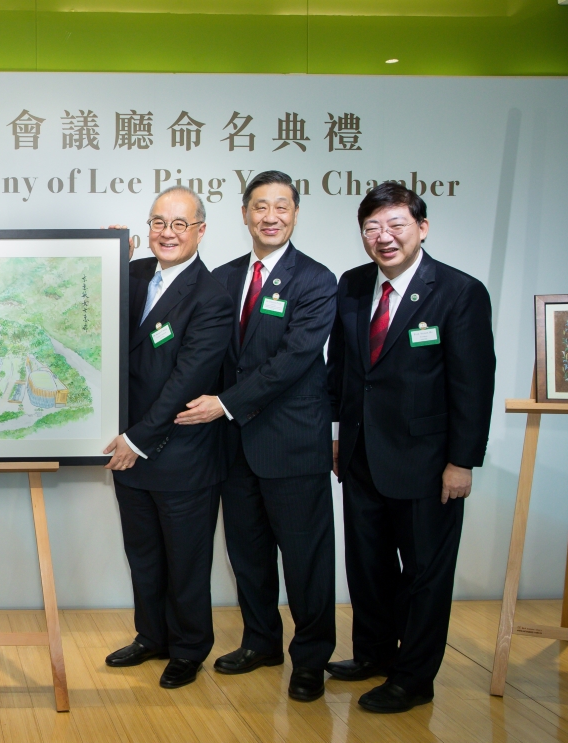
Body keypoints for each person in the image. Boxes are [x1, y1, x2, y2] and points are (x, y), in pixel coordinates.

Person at [326, 182, 495, 713]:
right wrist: (336, 435)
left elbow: (473, 384)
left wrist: (461, 462)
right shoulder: (352, 286)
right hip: (360, 457)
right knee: (368, 567)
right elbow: (343, 371)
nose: (384, 237)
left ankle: (414, 678)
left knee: (424, 576)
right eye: (372, 228)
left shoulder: (459, 291)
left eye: (396, 225)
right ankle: (373, 655)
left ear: (422, 228)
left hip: (428, 465)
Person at [174, 171, 338, 702]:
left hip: (291, 445)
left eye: (282, 207)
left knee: (306, 561)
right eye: (260, 207)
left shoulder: (316, 280)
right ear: (244, 214)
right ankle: (261, 641)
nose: (271, 217)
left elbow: (293, 361)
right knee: (248, 556)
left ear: (295, 214)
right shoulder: (221, 278)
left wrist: (224, 403)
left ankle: (310, 658)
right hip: (233, 447)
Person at [101, 186, 236, 689]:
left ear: (201, 230)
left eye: (180, 224)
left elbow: (188, 379)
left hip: (178, 453)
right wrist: (108, 251)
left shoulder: (211, 295)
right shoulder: (134, 274)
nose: (168, 233)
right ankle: (150, 636)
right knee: (144, 553)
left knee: (186, 559)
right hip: (129, 451)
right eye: (159, 222)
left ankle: (188, 647)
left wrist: (135, 440)